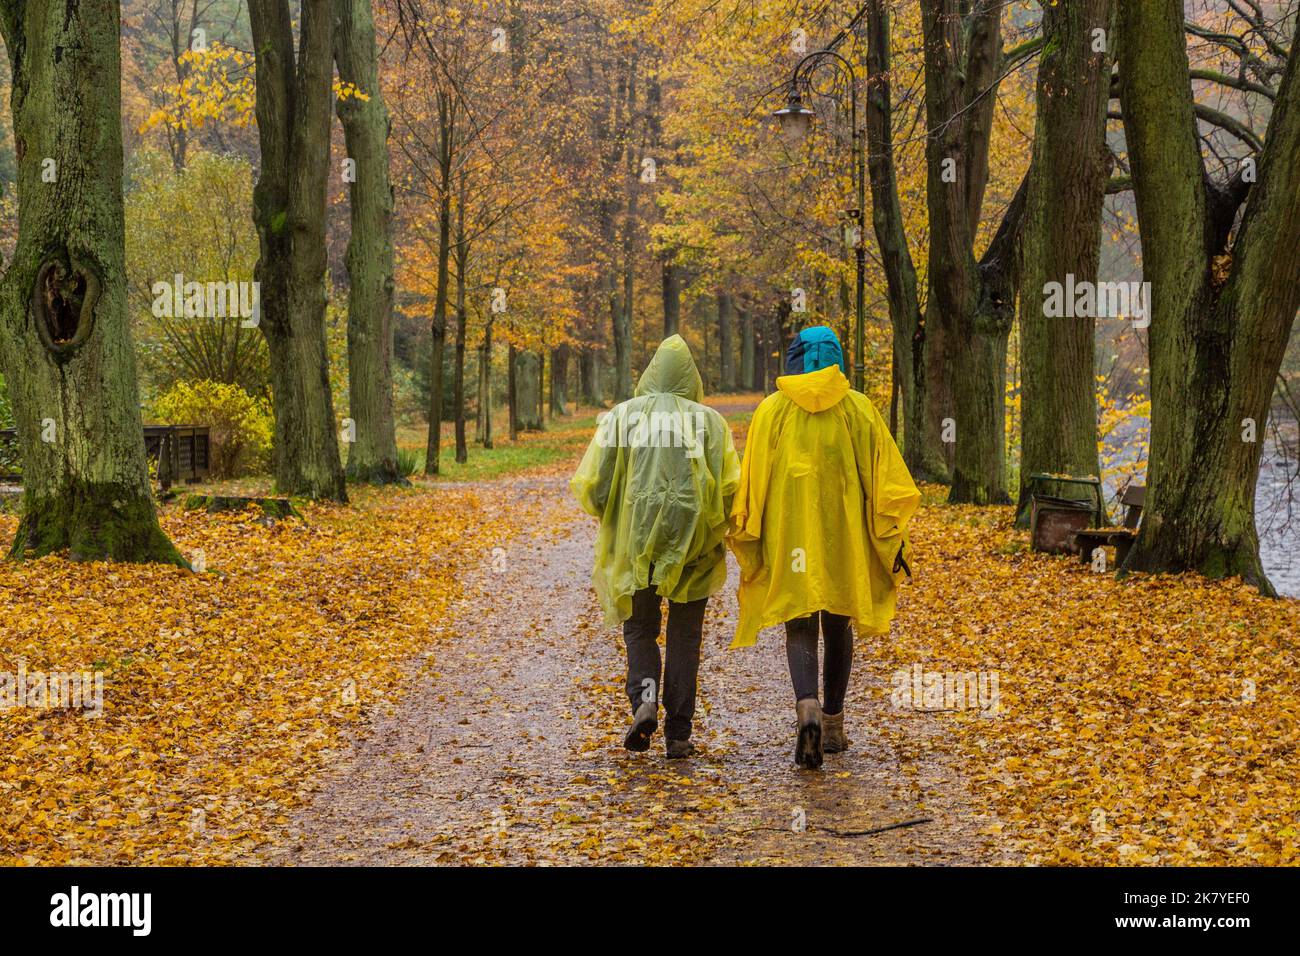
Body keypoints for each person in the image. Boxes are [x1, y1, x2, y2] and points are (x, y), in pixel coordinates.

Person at [728, 325, 919, 768]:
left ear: (794, 358)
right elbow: (884, 482)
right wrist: (889, 539)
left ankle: (806, 707)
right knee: (837, 624)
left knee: (799, 622)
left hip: (790, 536)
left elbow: (752, 482)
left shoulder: (771, 411)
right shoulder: (858, 408)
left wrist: (748, 534)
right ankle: (833, 725)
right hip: (842, 540)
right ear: (837, 359)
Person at [571, 335, 740, 759]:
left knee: (641, 627)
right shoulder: (710, 423)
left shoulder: (621, 418)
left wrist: (615, 512)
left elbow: (595, 485)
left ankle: (645, 700)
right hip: (693, 545)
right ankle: (679, 734)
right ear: (692, 377)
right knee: (685, 635)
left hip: (636, 541)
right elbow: (731, 490)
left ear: (649, 373)